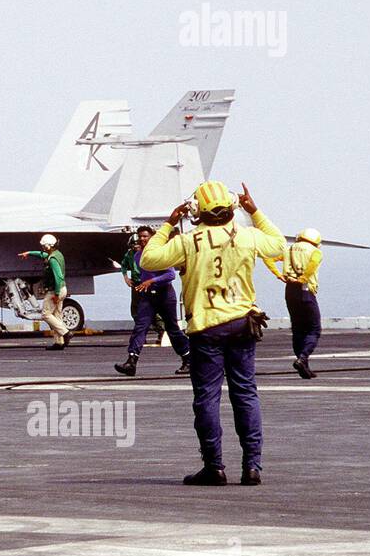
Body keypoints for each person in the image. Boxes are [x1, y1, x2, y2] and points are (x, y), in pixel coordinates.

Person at [141, 181, 285, 487]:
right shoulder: (246, 236)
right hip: (242, 324)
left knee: (207, 397)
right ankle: (252, 467)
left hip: (206, 329)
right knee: (245, 393)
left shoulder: (188, 241)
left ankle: (214, 467)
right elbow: (278, 246)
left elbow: (149, 260)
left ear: (197, 211)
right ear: (231, 207)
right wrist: (254, 211)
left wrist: (168, 224)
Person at [114, 226, 191, 376]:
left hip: (165, 295)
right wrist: (132, 280)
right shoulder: (137, 256)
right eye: (140, 237)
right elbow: (131, 268)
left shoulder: (160, 254)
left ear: (152, 238)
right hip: (148, 296)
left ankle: (188, 358)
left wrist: (151, 281)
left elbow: (170, 275)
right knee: (140, 327)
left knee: (172, 329)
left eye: (145, 236)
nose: (142, 239)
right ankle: (131, 361)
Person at [263, 228, 324, 379]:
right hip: (305, 291)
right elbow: (314, 264)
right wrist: (303, 279)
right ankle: (303, 358)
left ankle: (303, 366)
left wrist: (278, 275)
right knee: (314, 329)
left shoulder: (288, 249)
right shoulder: (315, 251)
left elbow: (267, 258)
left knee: (297, 329)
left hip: (290, 291)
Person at [18, 235, 72, 350]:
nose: (42, 247)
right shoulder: (57, 254)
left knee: (46, 314)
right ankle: (59, 343)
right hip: (62, 289)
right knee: (57, 315)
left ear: (48, 245)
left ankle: (66, 332)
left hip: (55, 290)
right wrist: (29, 253)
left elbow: (58, 277)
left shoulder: (52, 260)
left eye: (43, 245)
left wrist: (56, 294)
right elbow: (42, 255)